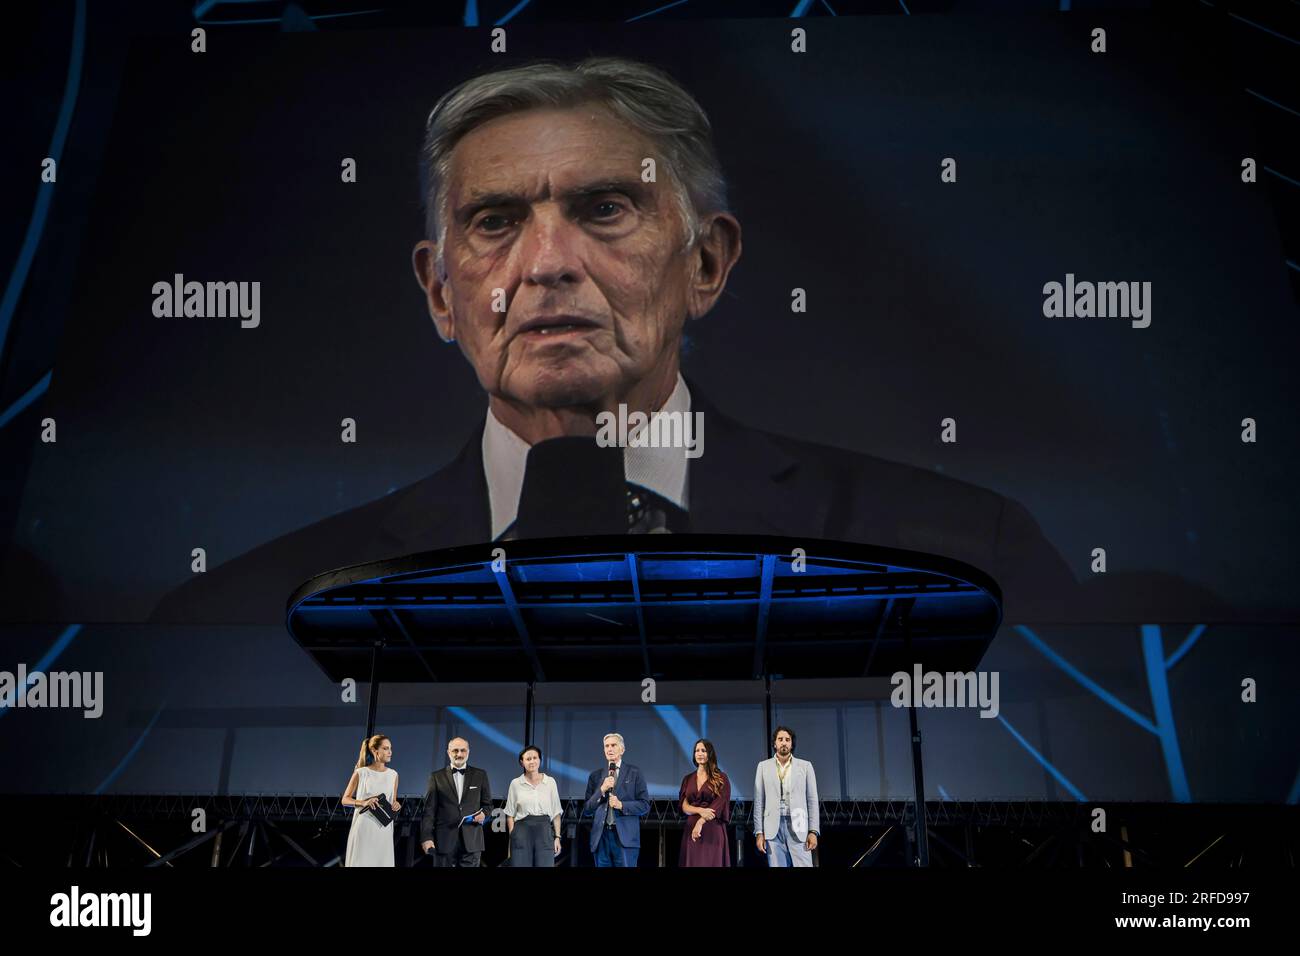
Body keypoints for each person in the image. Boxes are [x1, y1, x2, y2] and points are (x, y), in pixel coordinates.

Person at [150, 56, 1077, 628]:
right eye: (495, 221)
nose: (548, 263)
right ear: (440, 292)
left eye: (603, 208)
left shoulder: (966, 554)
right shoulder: (248, 612)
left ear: (705, 262)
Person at [419, 736, 492, 867]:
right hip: (443, 841)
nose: (459, 754)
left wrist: (484, 814)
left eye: (463, 750)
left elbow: (488, 805)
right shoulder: (436, 777)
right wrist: (426, 837)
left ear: (468, 752)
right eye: (455, 750)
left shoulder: (480, 775)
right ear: (448, 752)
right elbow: (429, 811)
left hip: (472, 840)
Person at [753, 726, 819, 868]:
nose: (784, 742)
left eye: (787, 740)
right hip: (772, 827)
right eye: (780, 739)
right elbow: (759, 802)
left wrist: (813, 831)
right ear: (775, 743)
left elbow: (812, 800)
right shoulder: (763, 766)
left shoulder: (805, 766)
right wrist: (759, 832)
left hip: (798, 825)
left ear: (792, 744)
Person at [582, 733, 650, 867]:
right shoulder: (595, 776)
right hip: (601, 838)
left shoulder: (634, 772)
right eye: (606, 746)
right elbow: (587, 809)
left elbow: (644, 805)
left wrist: (621, 805)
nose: (609, 749)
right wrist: (602, 790)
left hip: (625, 838)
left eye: (613, 745)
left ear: (622, 750)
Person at [341, 734, 400, 867]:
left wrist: (396, 804)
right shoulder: (361, 772)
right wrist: (363, 802)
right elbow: (345, 800)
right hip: (365, 826)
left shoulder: (393, 775)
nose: (390, 752)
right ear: (374, 750)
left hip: (384, 828)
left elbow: (393, 801)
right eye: (385, 748)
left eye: (390, 748)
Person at [503, 745, 563, 867]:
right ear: (522, 762)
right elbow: (510, 814)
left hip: (544, 831)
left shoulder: (550, 782)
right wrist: (513, 835)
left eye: (535, 758)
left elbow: (556, 812)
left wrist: (557, 837)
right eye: (528, 759)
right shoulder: (515, 783)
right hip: (522, 831)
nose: (532, 761)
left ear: (540, 760)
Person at [678, 738, 731, 867]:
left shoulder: (721, 778)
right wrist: (701, 811)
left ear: (710, 754)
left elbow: (719, 805)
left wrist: (700, 822)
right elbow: (684, 806)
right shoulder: (688, 779)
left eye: (703, 750)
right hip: (691, 829)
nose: (700, 753)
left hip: (712, 828)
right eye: (697, 751)